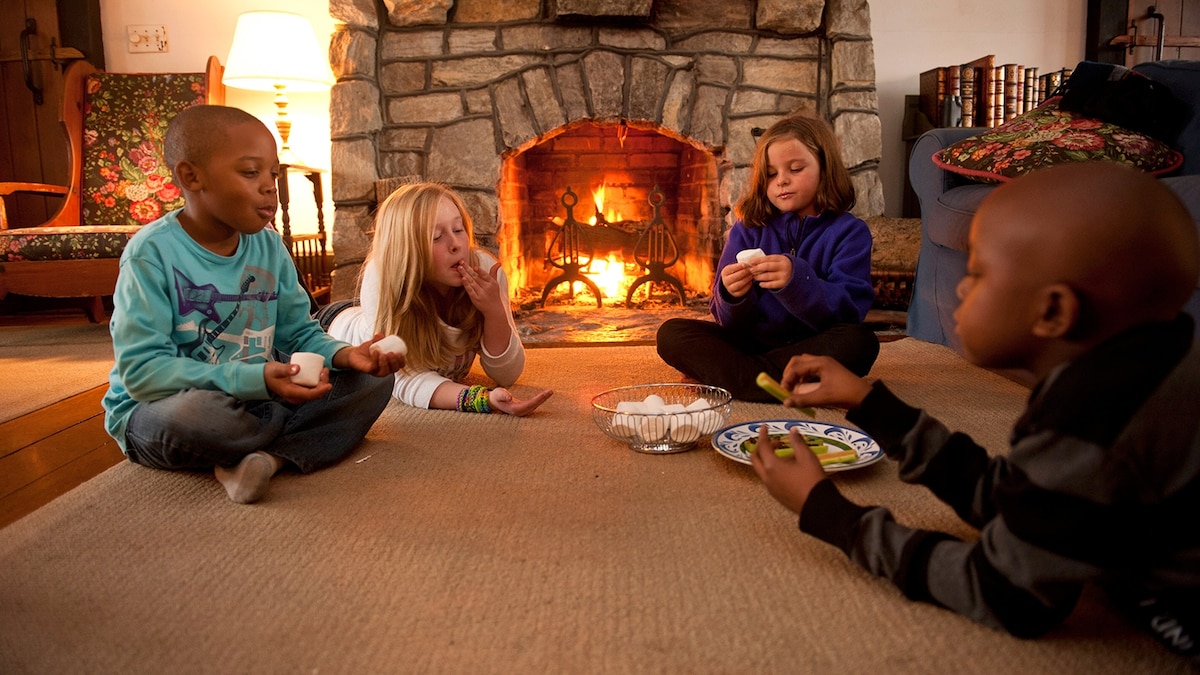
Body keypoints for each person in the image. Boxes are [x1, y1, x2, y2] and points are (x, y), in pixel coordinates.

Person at [751, 161, 1200, 662]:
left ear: (1054, 312)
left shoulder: (1091, 420)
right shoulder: (1145, 364)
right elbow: (1015, 502)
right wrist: (868, 401)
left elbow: (1007, 592)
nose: (962, 288)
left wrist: (825, 509)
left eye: (979, 273)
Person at [102, 105, 405, 505]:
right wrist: (256, 381)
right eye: (250, 173)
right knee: (197, 417)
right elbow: (142, 374)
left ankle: (262, 458)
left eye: (273, 174)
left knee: (373, 382)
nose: (269, 188)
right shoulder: (151, 254)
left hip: (257, 399)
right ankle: (283, 440)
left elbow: (298, 332)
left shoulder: (267, 245)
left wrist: (348, 356)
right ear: (191, 176)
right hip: (165, 408)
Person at [655, 113, 878, 402]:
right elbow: (724, 319)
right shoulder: (748, 229)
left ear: (825, 167)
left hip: (810, 348)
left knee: (861, 343)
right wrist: (732, 295)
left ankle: (738, 381)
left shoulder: (849, 232)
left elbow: (851, 311)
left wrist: (798, 281)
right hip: (751, 344)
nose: (782, 181)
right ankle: (779, 384)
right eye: (771, 174)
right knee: (671, 334)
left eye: (795, 169)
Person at [319, 181, 552, 415]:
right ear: (407, 251)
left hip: (360, 313)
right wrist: (482, 400)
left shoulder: (485, 272)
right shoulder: (383, 279)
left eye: (459, 230)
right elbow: (403, 379)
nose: (456, 245)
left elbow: (507, 374)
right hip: (329, 330)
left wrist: (494, 311)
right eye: (436, 237)